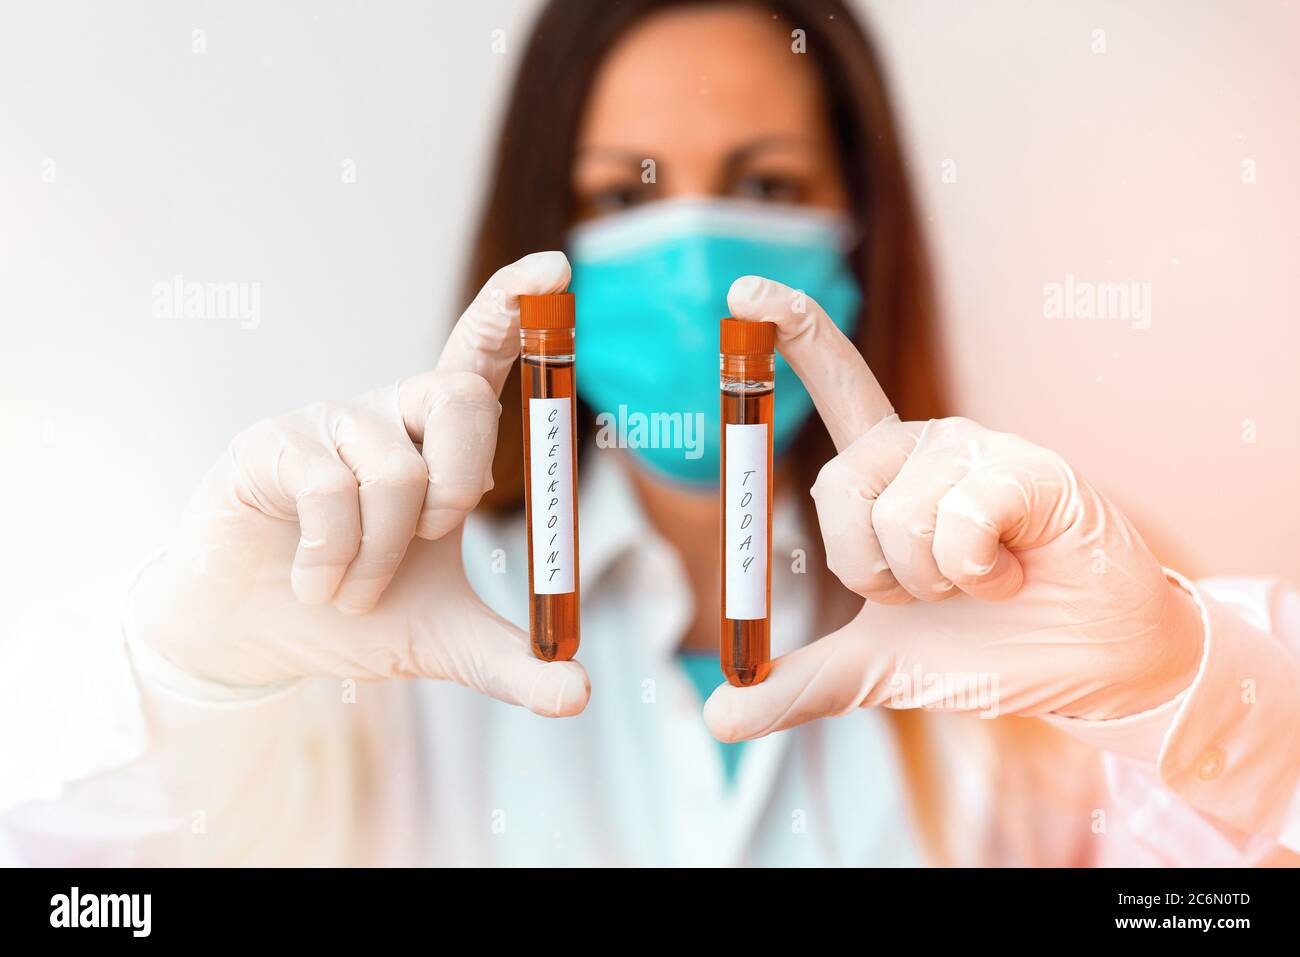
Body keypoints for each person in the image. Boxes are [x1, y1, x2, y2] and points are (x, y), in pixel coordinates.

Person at [5, 0, 1298, 866]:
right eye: (622, 193)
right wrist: (182, 669)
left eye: (765, 184)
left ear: (863, 226)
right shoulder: (370, 643)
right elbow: (79, 868)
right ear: (547, 242)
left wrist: (1196, 695)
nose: (693, 254)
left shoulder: (1023, 636)